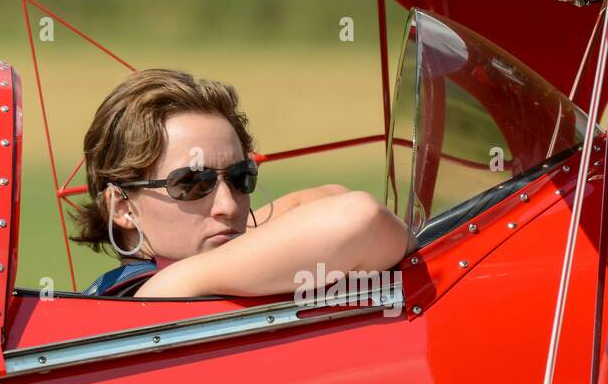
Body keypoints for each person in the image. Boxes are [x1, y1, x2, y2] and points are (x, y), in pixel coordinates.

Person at [69, 69, 409, 298]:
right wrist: (183, 279)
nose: (229, 206)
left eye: (239, 177)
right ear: (123, 207)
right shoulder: (150, 296)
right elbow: (363, 218)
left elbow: (330, 196)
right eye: (190, 183)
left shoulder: (178, 268)